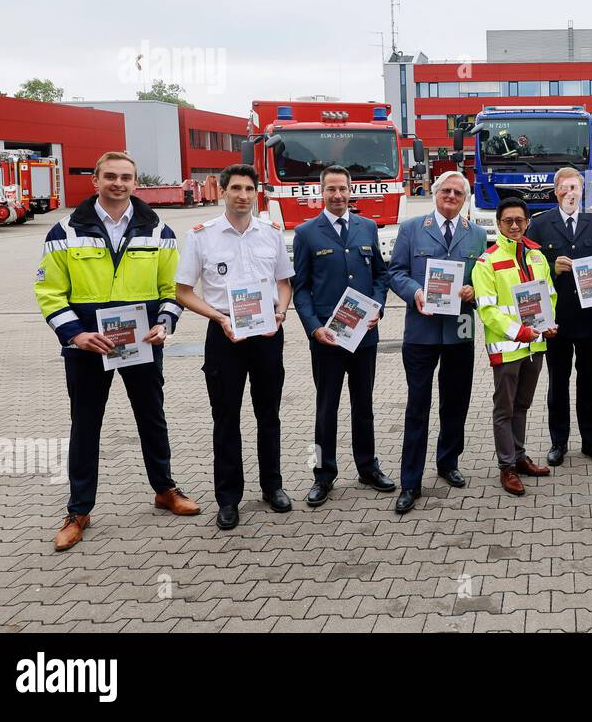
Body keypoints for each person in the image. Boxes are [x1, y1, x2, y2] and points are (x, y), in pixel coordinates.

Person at [35, 151, 199, 551]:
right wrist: (76, 335)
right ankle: (79, 510)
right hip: (88, 347)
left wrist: (166, 324)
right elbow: (49, 291)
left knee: (152, 418)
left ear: (135, 183)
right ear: (95, 179)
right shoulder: (64, 231)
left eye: (126, 177)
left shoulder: (158, 231)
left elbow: (171, 290)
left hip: (141, 345)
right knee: (85, 426)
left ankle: (164, 489)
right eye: (110, 176)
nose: (118, 183)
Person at [176, 164, 295, 530]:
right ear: (223, 192)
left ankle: (271, 486)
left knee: (268, 415)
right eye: (235, 188)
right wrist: (219, 318)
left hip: (266, 336)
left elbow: (284, 282)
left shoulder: (271, 233)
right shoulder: (202, 236)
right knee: (226, 419)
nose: (243, 195)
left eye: (249, 189)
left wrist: (281, 310)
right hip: (224, 335)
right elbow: (182, 292)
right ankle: (228, 499)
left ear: (256, 192)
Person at [292, 165, 395, 507]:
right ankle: (322, 474)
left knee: (363, 406)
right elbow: (301, 288)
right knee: (325, 409)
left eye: (343, 189)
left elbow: (380, 275)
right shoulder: (307, 232)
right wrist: (312, 327)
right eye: (331, 189)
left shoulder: (367, 227)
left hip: (363, 337)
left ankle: (368, 467)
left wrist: (378, 307)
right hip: (328, 338)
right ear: (321, 192)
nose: (337, 195)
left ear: (352, 191)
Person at [385, 169, 486, 514]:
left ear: (465, 199)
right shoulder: (413, 229)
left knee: (455, 402)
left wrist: (475, 291)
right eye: (446, 190)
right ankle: (410, 482)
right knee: (417, 407)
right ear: (435, 192)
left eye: (459, 193)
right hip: (422, 333)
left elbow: (484, 279)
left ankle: (448, 462)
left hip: (459, 329)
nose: (452, 197)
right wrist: (414, 293)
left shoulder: (476, 234)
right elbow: (395, 272)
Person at [472, 197, 558, 495]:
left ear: (527, 222)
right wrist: (519, 331)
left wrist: (548, 324)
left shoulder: (537, 256)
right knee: (504, 409)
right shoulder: (487, 262)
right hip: (508, 348)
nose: (514, 225)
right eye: (508, 221)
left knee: (522, 405)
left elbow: (550, 296)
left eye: (519, 220)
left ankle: (520, 457)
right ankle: (506, 467)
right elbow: (488, 311)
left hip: (535, 346)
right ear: (498, 224)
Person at [530, 167, 592, 466]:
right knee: (558, 381)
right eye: (564, 188)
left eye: (575, 188)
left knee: (589, 380)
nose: (570, 193)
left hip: (591, 318)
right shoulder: (539, 225)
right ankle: (558, 443)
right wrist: (553, 268)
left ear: (582, 191)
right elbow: (530, 269)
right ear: (556, 192)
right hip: (557, 319)